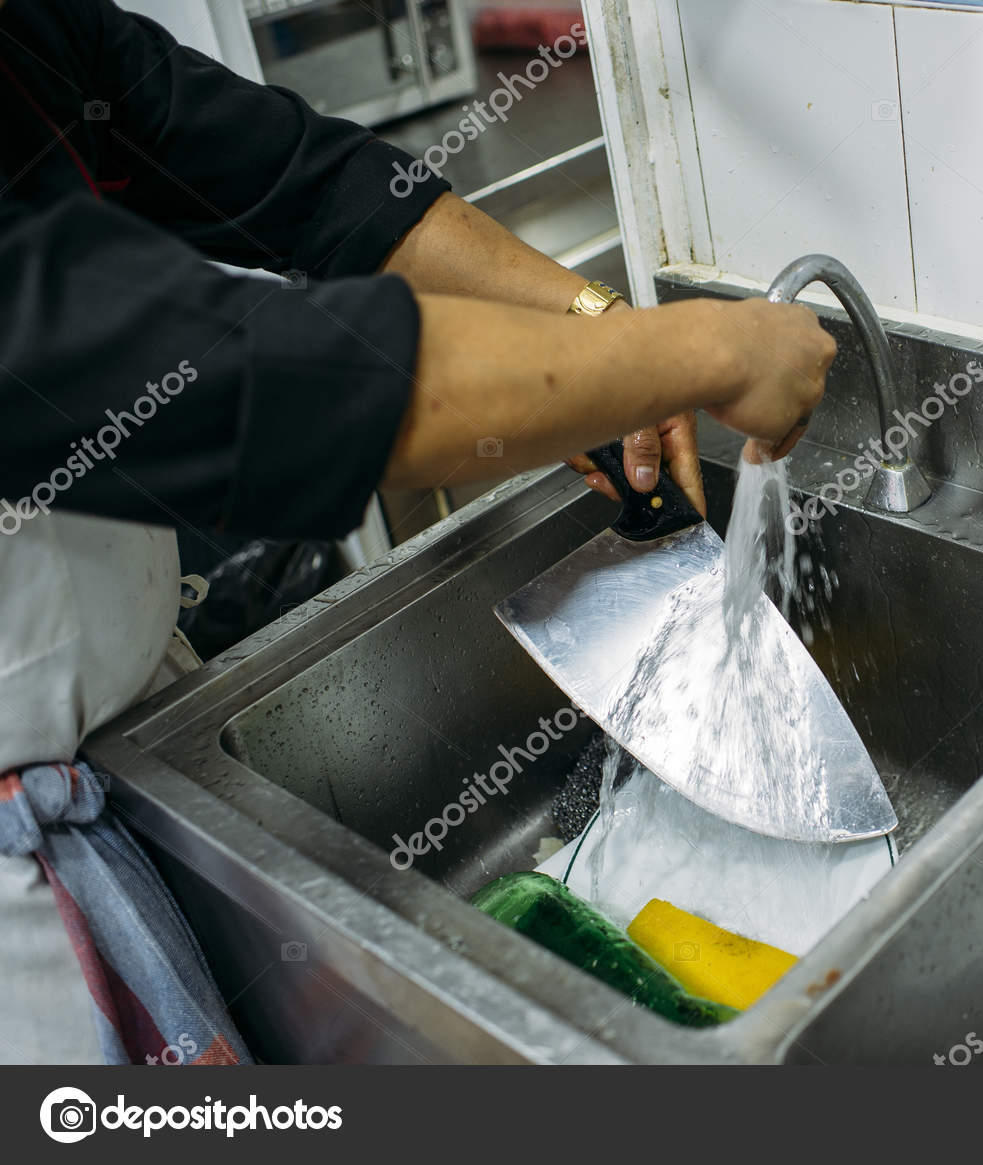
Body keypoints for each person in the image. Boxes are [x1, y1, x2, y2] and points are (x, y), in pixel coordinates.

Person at [0, 0, 835, 1064]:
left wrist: (598, 328)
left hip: (109, 741)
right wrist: (703, 351)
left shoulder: (33, 29)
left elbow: (315, 187)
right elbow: (240, 380)